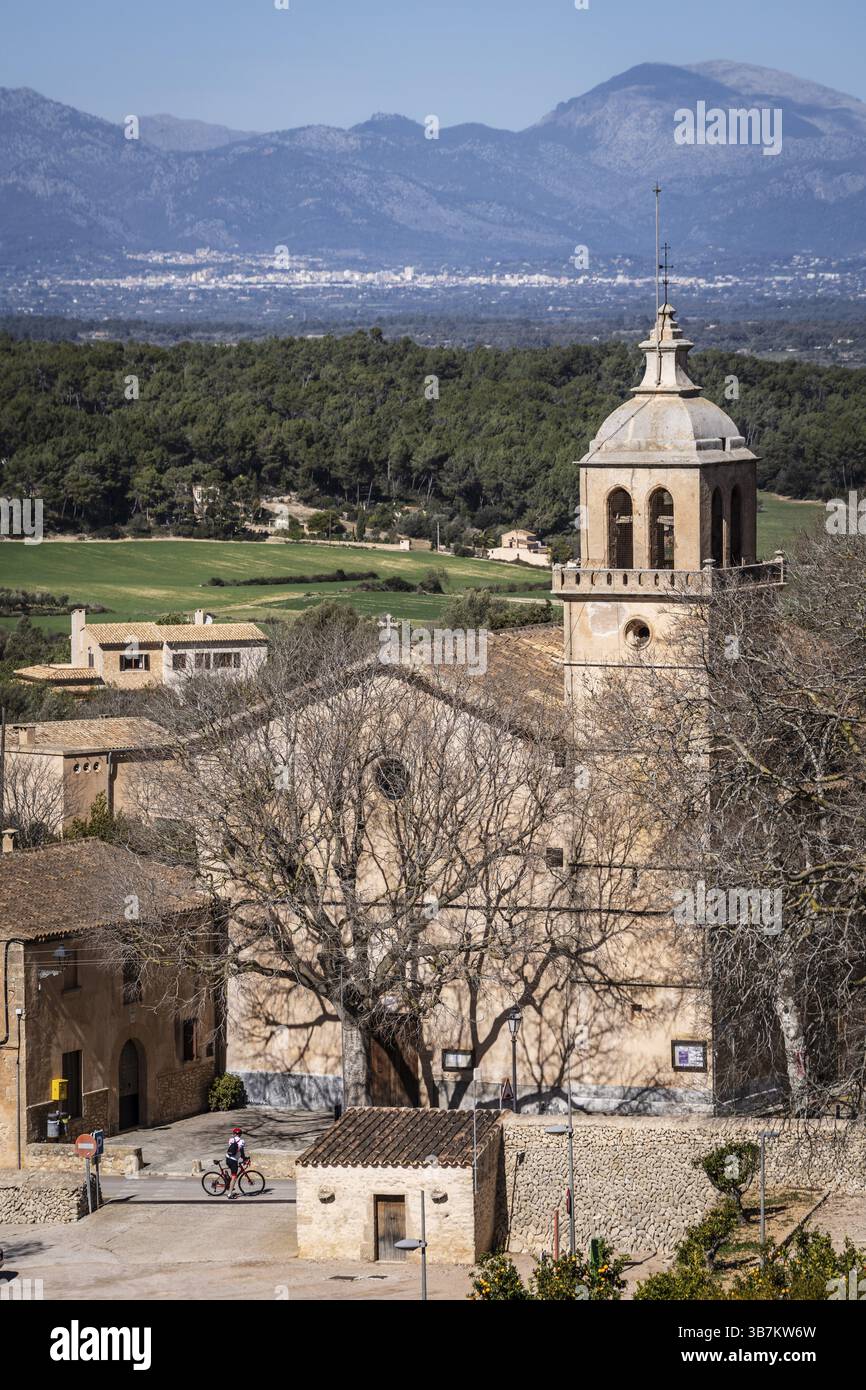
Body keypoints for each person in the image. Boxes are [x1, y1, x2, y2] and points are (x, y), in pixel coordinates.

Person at [225, 1126, 246, 1199]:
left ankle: (228, 1179)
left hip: (227, 1158)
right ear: (240, 1134)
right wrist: (244, 1158)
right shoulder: (242, 1141)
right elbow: (241, 1151)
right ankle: (230, 1194)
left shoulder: (230, 1140)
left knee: (232, 1173)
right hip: (234, 1160)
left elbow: (232, 1148)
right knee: (234, 1177)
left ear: (234, 1134)